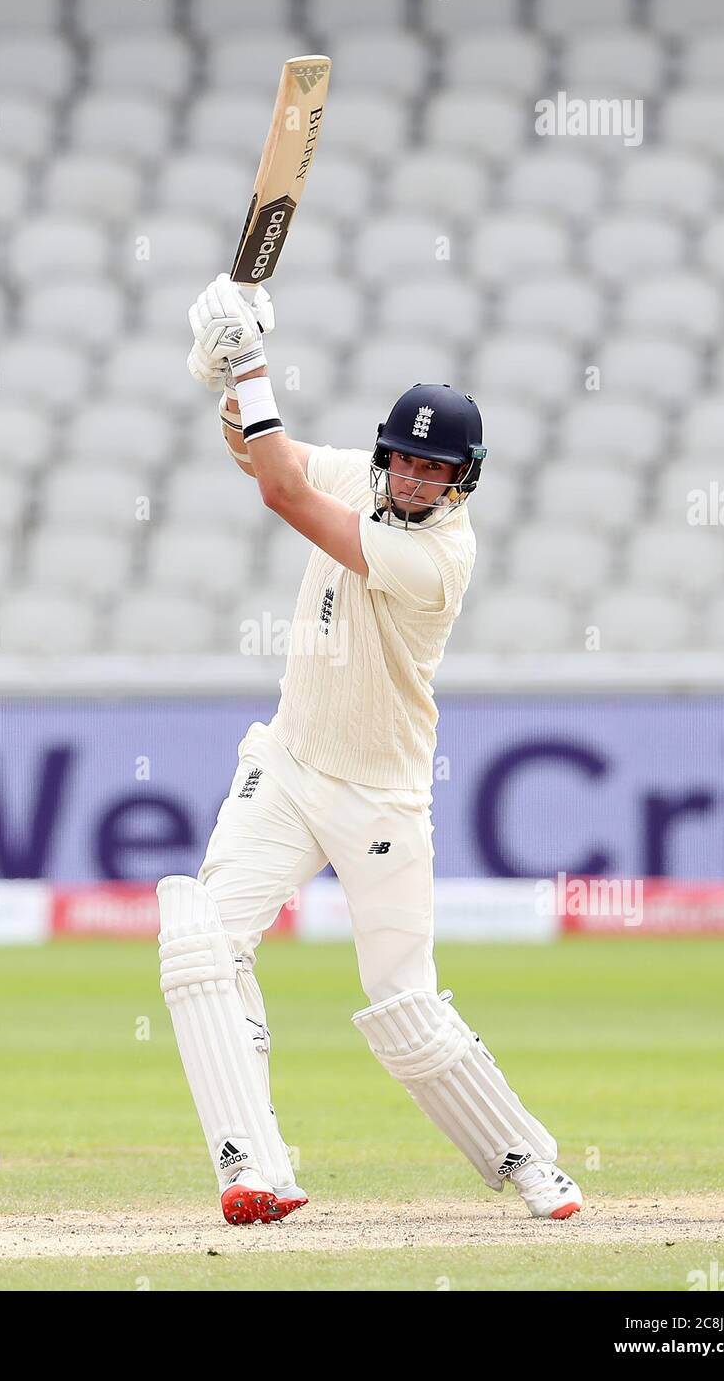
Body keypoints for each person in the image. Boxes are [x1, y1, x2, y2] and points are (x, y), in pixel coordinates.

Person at [156, 274, 582, 1225]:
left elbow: (281, 495)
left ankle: (526, 1161)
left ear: (462, 482)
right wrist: (223, 377)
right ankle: (251, 1168)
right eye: (406, 463)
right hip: (290, 764)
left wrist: (254, 362)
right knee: (200, 944)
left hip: (383, 795)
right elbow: (258, 452)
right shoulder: (362, 473)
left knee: (403, 1006)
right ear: (387, 455)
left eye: (438, 472)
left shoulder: (439, 560)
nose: (416, 481)